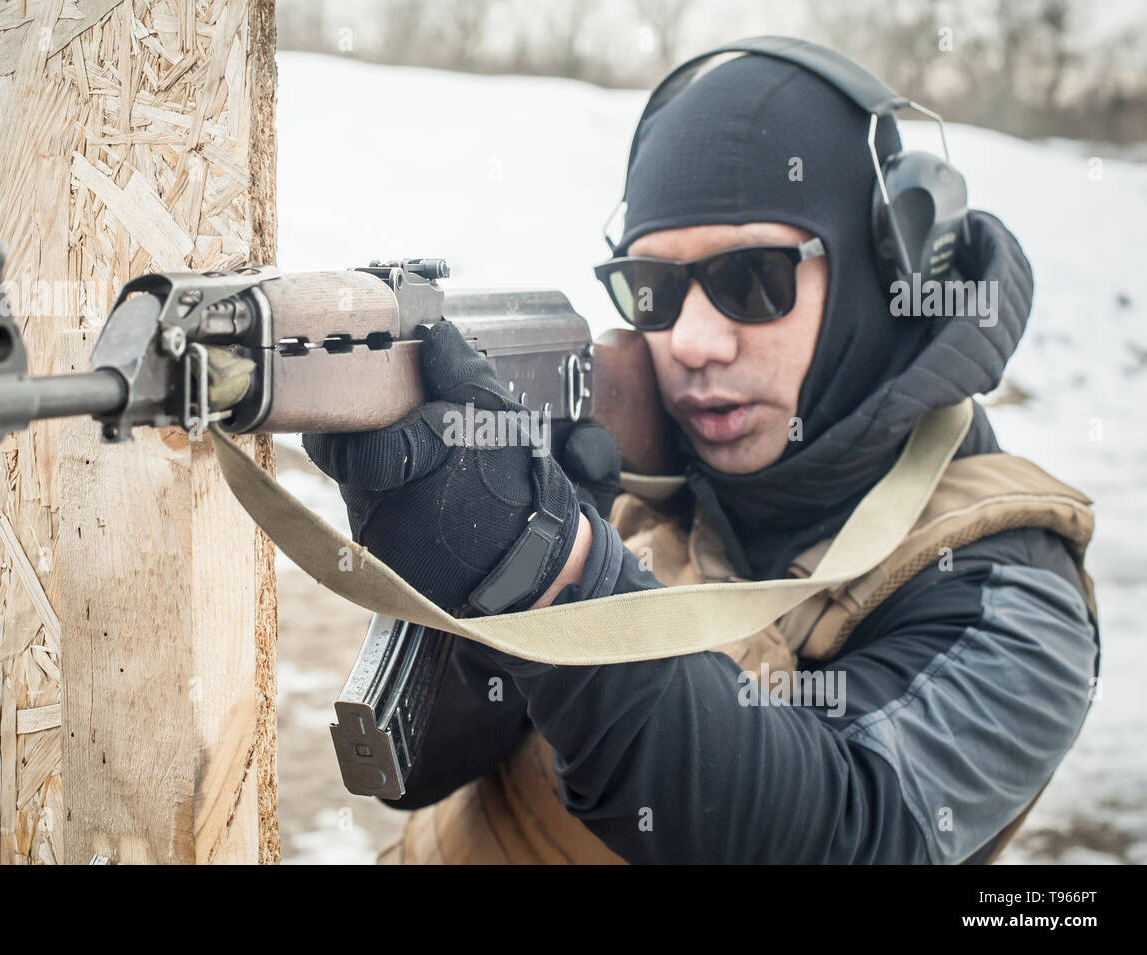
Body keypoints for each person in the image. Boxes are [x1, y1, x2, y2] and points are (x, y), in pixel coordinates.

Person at [302, 40, 1099, 864]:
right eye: (655, 288)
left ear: (884, 269)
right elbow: (416, 773)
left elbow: (840, 831)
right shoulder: (631, 465)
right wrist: (472, 583)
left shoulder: (1011, 592)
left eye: (754, 279)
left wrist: (558, 576)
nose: (691, 341)